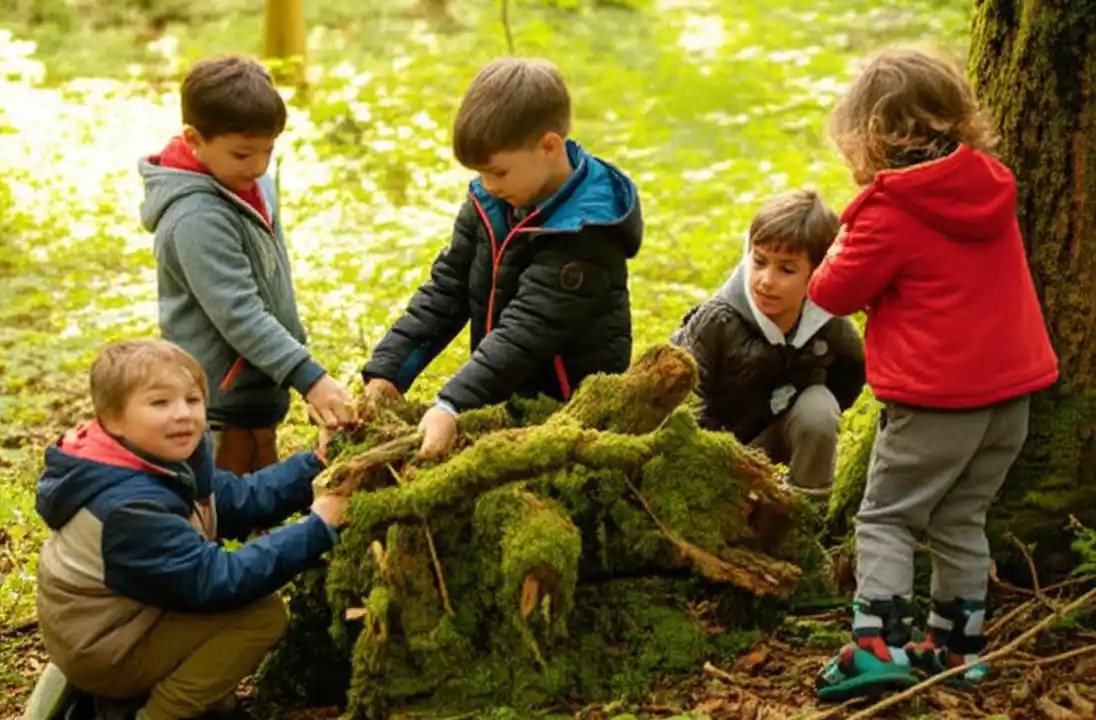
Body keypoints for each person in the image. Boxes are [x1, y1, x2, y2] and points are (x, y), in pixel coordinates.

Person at [809, 48, 1058, 701]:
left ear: (866, 134)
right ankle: (960, 646)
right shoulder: (990, 182)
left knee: (888, 517)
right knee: (961, 518)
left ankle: (877, 646)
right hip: (1011, 394)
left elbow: (832, 292)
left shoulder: (887, 210)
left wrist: (837, 241)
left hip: (938, 399)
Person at [26, 339, 346, 720]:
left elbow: (240, 499)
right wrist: (318, 528)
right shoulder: (129, 506)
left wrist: (316, 463)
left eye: (192, 400)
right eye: (160, 403)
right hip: (103, 648)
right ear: (111, 419)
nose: (183, 414)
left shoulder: (162, 460)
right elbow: (214, 581)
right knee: (260, 618)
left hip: (123, 622)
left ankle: (149, 697)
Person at [361, 57, 643, 458]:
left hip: (568, 417)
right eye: (481, 174)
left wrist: (451, 404)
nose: (488, 186)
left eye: (499, 172)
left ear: (548, 147)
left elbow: (526, 330)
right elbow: (447, 289)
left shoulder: (585, 234)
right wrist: (389, 372)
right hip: (501, 398)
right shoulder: (492, 200)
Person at [139, 55, 352, 475]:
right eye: (241, 154)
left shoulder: (248, 184)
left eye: (268, 151)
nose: (257, 166)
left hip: (257, 389)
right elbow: (239, 312)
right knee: (230, 509)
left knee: (264, 491)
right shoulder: (195, 218)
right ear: (194, 139)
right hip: (221, 399)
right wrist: (309, 377)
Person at [671, 189, 864, 501]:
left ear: (817, 273)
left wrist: (799, 422)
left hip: (777, 433)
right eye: (759, 262)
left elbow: (850, 374)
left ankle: (806, 506)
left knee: (819, 410)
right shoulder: (717, 320)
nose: (765, 280)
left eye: (786, 269)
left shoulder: (829, 326)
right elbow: (688, 400)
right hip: (719, 444)